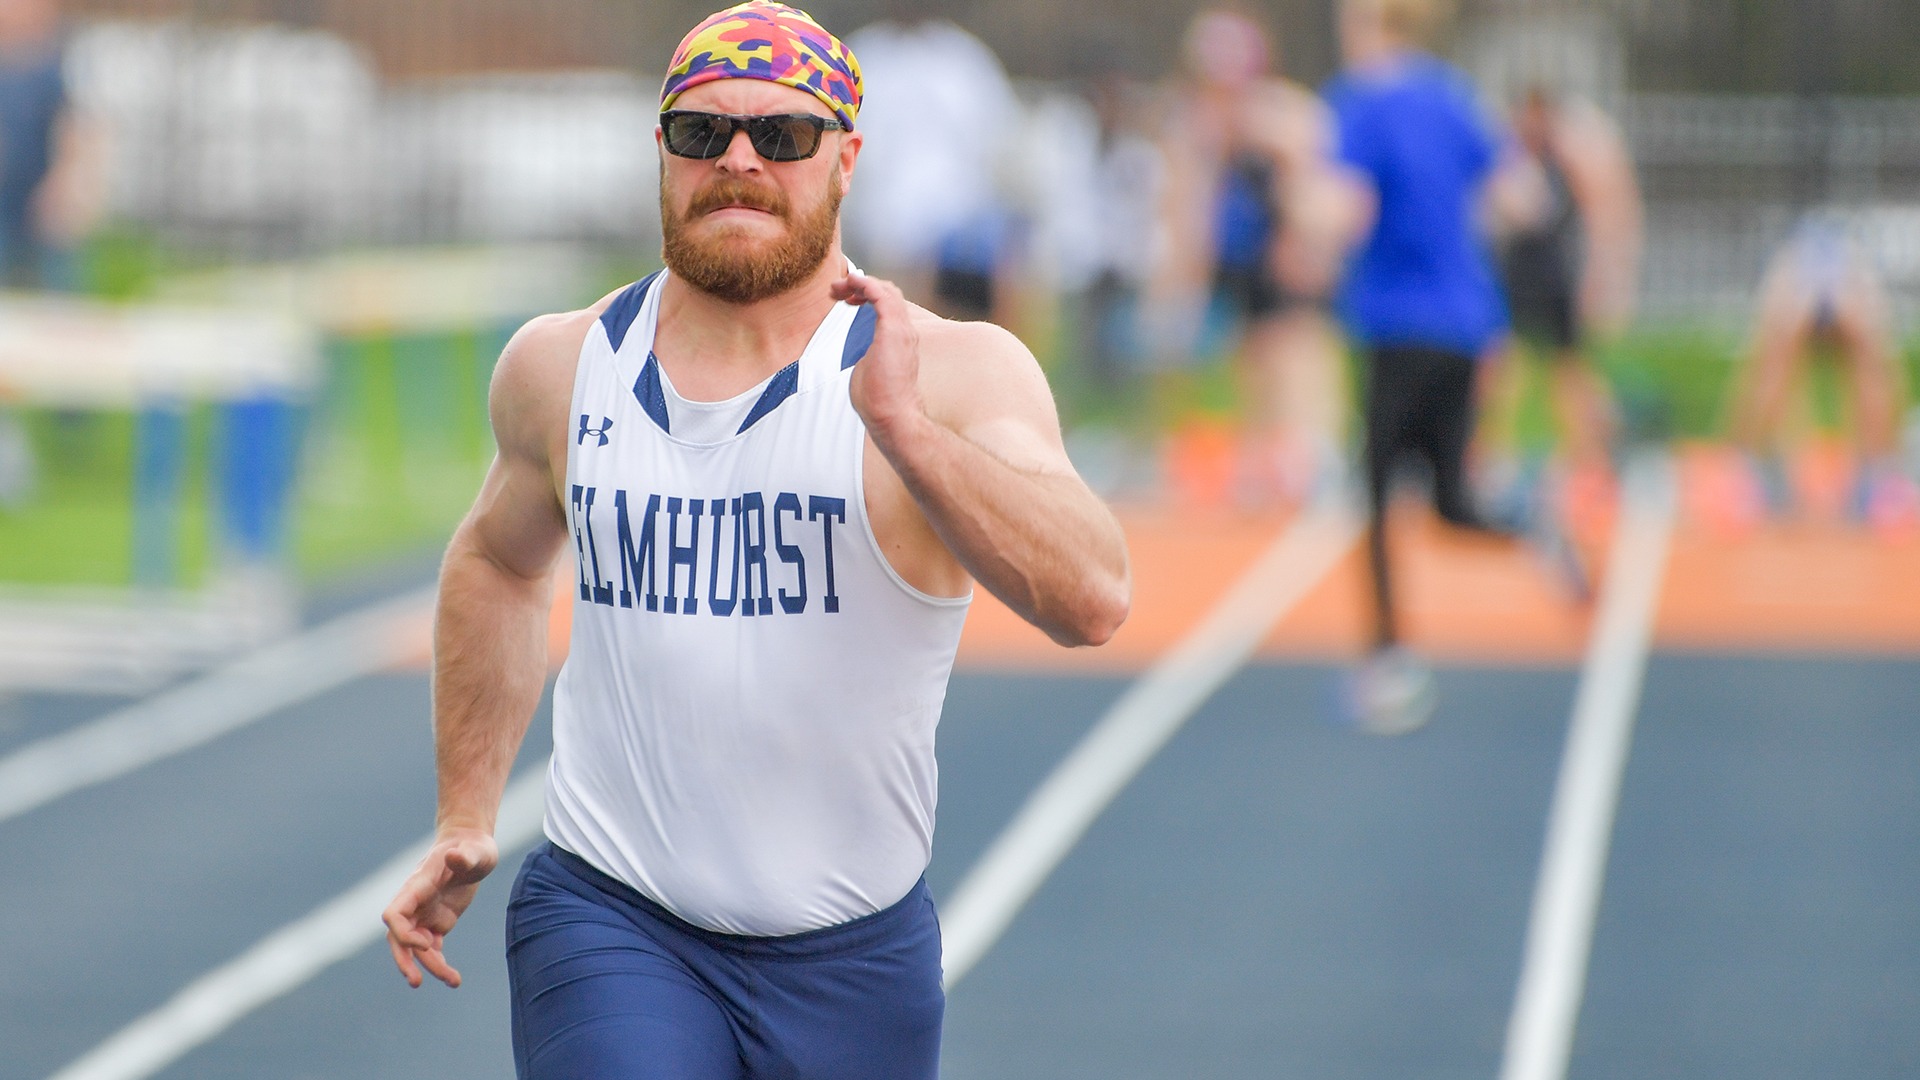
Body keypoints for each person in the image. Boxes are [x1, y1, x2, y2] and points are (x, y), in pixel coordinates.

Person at [379, 5, 1131, 1078]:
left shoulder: (955, 372)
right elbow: (499, 561)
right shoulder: (563, 365)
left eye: (781, 135)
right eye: (703, 133)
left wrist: (909, 433)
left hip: (854, 954)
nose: (739, 160)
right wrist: (466, 811)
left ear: (845, 160)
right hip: (612, 913)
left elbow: (1094, 596)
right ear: (662, 151)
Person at [1324, 0, 1561, 734]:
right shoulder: (1455, 97)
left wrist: (1304, 217)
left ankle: (1388, 656)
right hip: (1465, 322)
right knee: (1451, 498)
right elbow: (1525, 199)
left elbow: (1346, 210)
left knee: (1376, 494)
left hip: (1396, 324)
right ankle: (1530, 523)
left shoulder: (1361, 101)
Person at [1155, 7, 1359, 507]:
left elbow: (1319, 189)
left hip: (1286, 270)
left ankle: (1319, 466)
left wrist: (1307, 250)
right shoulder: (1196, 125)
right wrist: (1183, 284)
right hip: (1240, 271)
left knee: (1298, 368)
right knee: (1254, 378)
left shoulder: (1279, 116)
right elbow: (1189, 212)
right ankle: (1273, 473)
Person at [1483, 83, 1643, 527]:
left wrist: (1601, 275)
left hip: (1551, 276)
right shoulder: (1516, 156)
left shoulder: (1566, 156)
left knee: (1567, 372)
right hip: (1519, 274)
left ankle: (1596, 460)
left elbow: (1598, 212)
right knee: (1503, 369)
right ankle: (1495, 459)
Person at [1729, 214, 1918, 530]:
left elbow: (1758, 379)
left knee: (1779, 367)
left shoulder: (1819, 280)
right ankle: (1872, 474)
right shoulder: (1820, 280)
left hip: (1821, 277)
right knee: (1783, 366)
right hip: (1820, 277)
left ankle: (1872, 474)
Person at [842, 0, 1024, 322]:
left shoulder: (964, 59)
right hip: (881, 220)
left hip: (957, 220)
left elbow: (997, 140)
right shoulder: (862, 56)